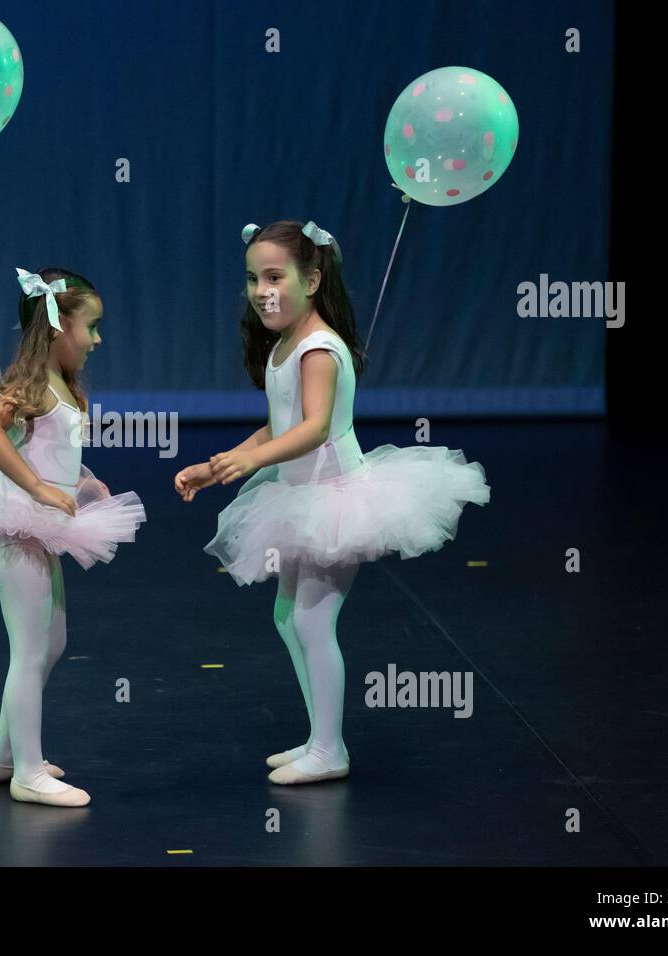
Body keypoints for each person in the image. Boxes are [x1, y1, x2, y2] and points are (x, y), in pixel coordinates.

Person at [174, 220, 490, 785]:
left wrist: (255, 461)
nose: (261, 290)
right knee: (286, 617)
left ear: (312, 279)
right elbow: (279, 424)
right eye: (252, 278)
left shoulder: (319, 348)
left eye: (275, 276)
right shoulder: (283, 346)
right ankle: (320, 737)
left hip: (336, 499)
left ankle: (330, 750)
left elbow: (317, 428)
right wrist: (222, 461)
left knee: (311, 621)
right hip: (298, 496)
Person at [0, 267, 145, 806]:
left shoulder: (62, 386)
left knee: (52, 642)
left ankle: (5, 756)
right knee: (29, 650)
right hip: (15, 529)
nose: (97, 340)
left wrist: (84, 481)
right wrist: (36, 487)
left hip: (41, 530)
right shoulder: (28, 387)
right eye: (90, 327)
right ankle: (27, 772)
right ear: (57, 328)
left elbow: (51, 451)